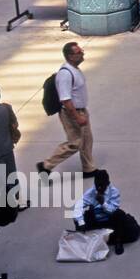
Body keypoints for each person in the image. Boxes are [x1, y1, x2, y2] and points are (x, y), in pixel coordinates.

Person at [36, 42, 98, 177]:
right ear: (70, 56)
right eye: (79, 52)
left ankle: (89, 168)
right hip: (72, 112)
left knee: (87, 139)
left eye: (82, 50)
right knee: (75, 142)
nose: (82, 53)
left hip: (81, 110)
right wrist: (77, 116)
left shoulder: (74, 69)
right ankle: (46, 165)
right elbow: (65, 99)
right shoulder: (65, 75)